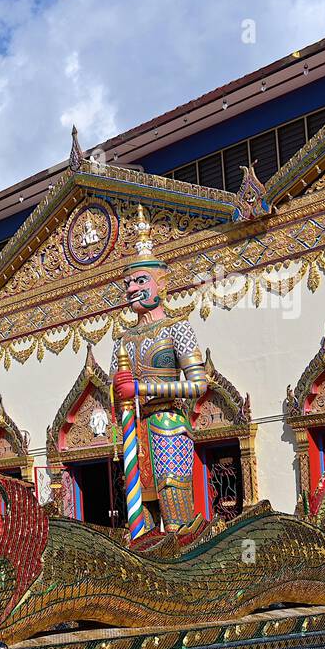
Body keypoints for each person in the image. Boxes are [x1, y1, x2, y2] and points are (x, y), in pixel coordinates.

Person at [111, 207, 208, 533]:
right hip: (133, 435)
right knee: (141, 520)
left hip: (167, 426)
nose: (131, 289)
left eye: (140, 281)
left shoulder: (177, 328)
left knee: (176, 510)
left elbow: (198, 385)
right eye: (128, 283)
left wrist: (141, 390)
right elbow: (116, 390)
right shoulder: (122, 339)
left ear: (161, 285)